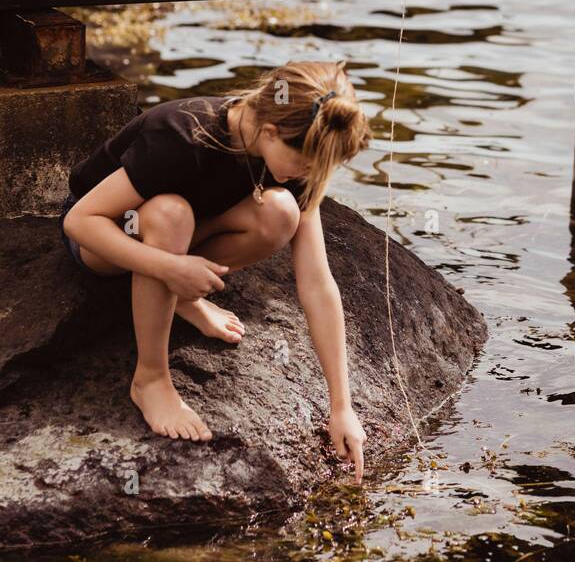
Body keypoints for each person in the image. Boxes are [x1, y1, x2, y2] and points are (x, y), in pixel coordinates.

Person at [61, 60, 371, 482]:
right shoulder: (181, 137)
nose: (307, 175)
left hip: (183, 235)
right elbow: (80, 220)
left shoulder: (292, 153)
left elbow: (317, 283)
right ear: (270, 132)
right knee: (171, 214)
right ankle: (150, 378)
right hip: (110, 236)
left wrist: (342, 406)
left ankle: (182, 295)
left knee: (280, 213)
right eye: (304, 163)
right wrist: (169, 266)